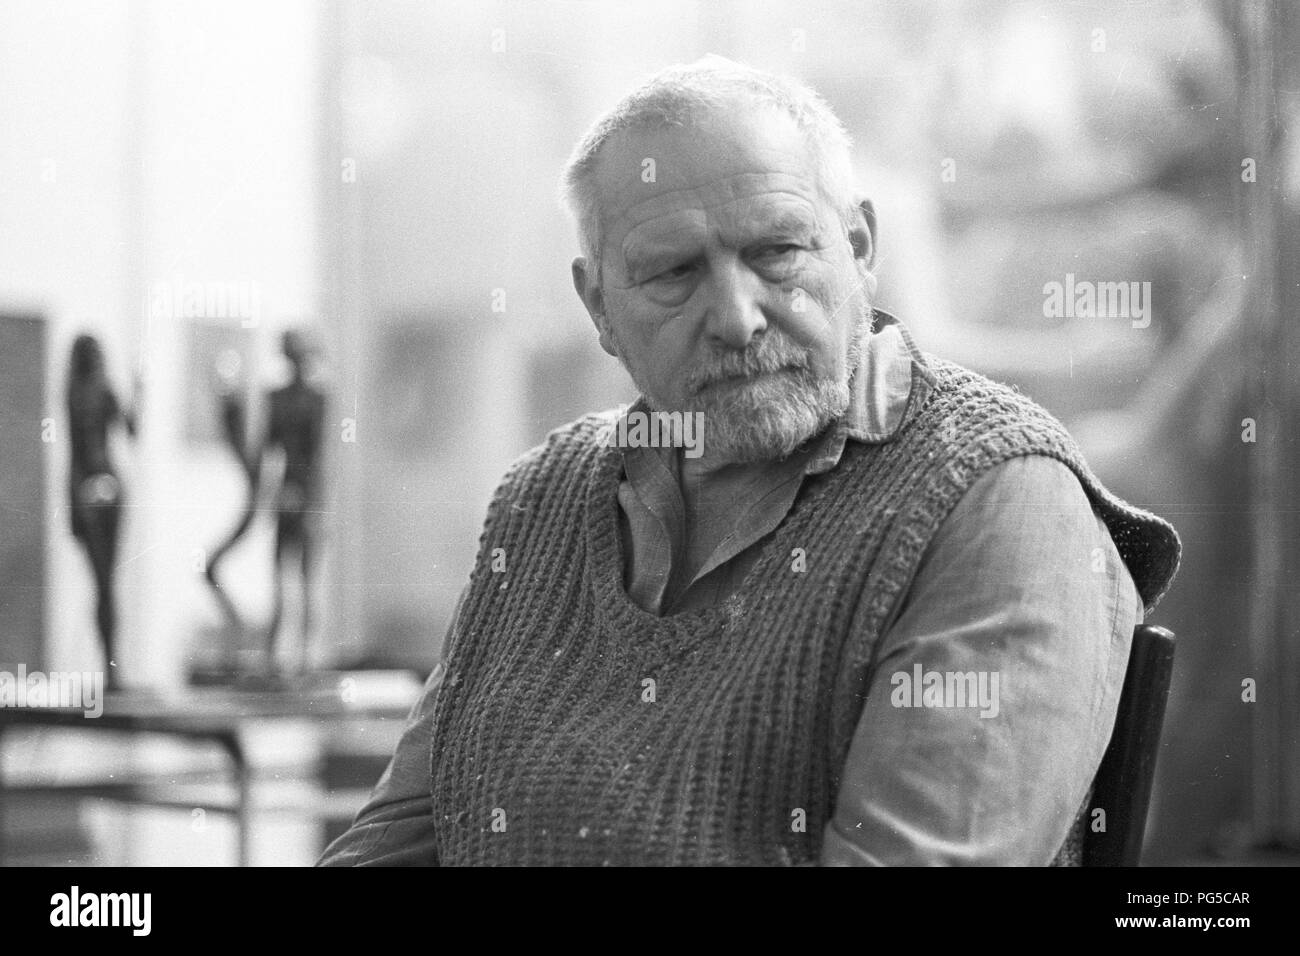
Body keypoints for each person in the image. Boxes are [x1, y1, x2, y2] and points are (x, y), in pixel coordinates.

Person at [319, 57, 1181, 866]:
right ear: (598, 308)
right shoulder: (540, 498)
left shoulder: (999, 499)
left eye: (777, 252)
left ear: (860, 248)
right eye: (672, 273)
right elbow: (396, 842)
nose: (736, 315)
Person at [66, 334, 137, 693]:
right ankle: (108, 667)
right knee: (103, 584)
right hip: (88, 489)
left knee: (108, 584)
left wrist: (138, 391)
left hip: (108, 486)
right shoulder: (75, 393)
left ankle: (112, 669)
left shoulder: (104, 389)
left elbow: (131, 429)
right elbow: (77, 451)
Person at [261, 330, 326, 674]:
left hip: (305, 492)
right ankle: (274, 659)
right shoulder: (276, 398)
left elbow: (315, 454)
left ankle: (304, 659)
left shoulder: (317, 399)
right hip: (287, 492)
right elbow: (269, 449)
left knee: (305, 581)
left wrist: (311, 501)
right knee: (280, 581)